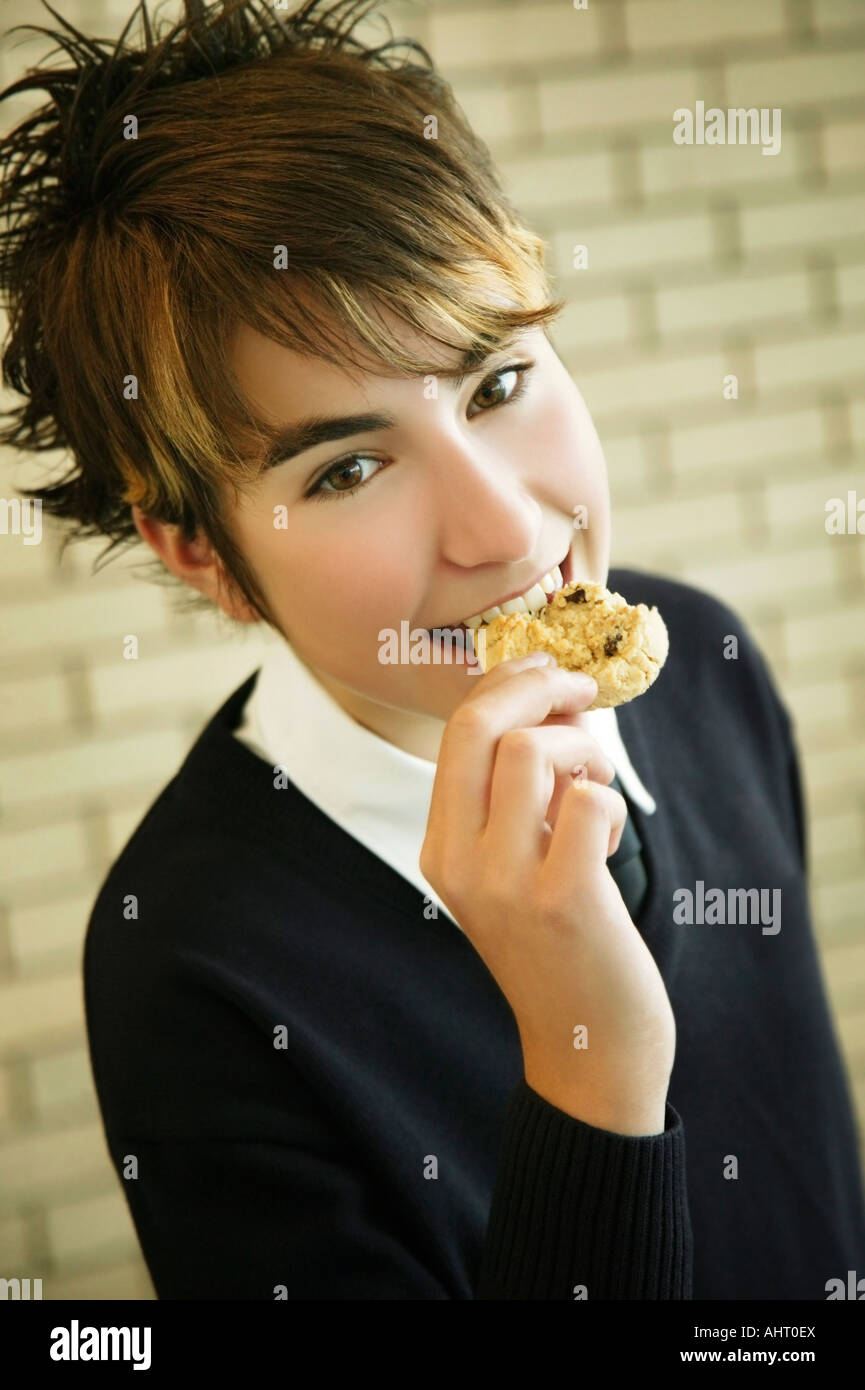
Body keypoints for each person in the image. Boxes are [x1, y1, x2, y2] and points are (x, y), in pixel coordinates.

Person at [1, 0, 863, 1300]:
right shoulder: (192, 966)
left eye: (497, 383)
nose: (505, 527)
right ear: (198, 553)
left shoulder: (706, 666)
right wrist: (590, 1062)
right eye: (348, 466)